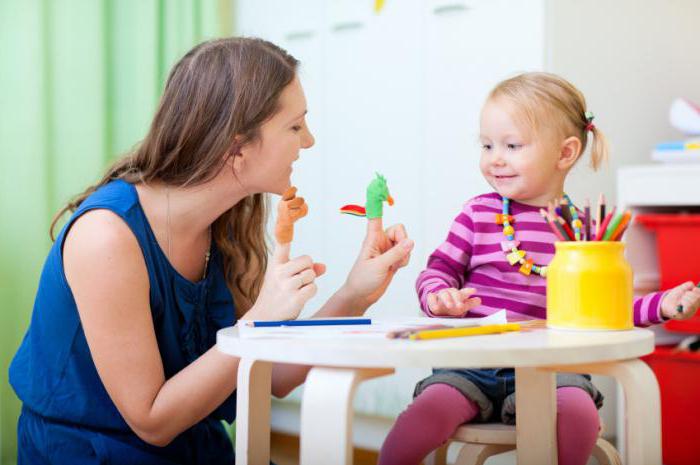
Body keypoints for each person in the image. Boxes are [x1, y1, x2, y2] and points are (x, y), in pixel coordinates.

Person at [9, 37, 414, 464]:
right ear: (236, 146)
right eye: (295, 126)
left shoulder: (227, 223)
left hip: (197, 449)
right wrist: (259, 318)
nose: (308, 141)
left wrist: (355, 292)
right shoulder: (106, 238)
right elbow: (153, 421)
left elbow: (269, 375)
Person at [378, 72, 700, 465]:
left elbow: (606, 311)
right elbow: (438, 270)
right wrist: (438, 296)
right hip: (470, 366)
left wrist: (661, 305)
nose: (495, 157)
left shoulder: (583, 231)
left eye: (512, 145)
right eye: (486, 145)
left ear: (565, 153)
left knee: (578, 416)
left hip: (553, 368)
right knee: (420, 420)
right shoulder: (477, 213)